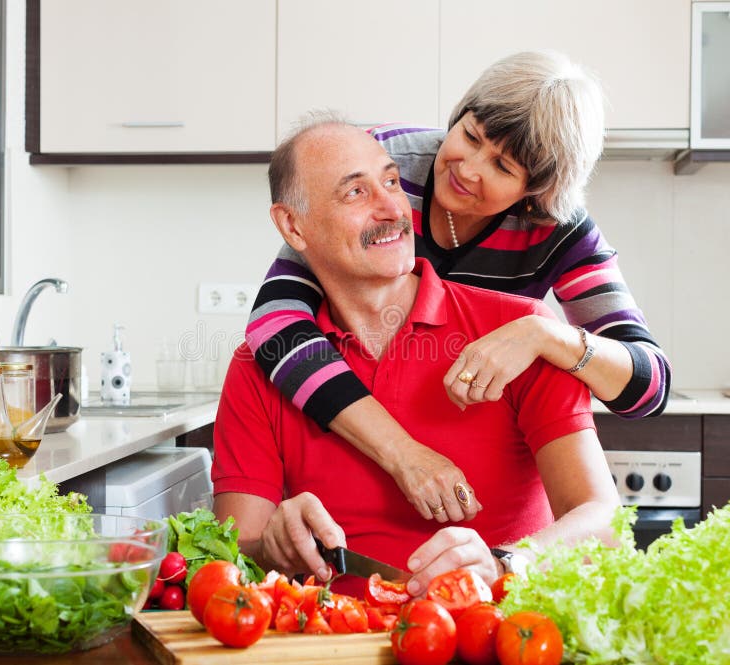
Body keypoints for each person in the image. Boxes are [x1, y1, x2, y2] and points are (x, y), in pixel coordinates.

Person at [246, 50, 670, 524]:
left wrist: (542, 333)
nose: (468, 168)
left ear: (537, 192)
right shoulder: (387, 170)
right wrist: (404, 455)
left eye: (503, 167)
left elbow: (649, 385)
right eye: (470, 135)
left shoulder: (558, 227)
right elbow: (275, 324)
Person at [213, 118, 620, 596]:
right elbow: (235, 558)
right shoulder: (261, 364)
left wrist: (507, 564)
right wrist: (272, 546)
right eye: (355, 193)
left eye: (390, 181)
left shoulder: (520, 335)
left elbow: (604, 523)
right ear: (292, 226)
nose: (393, 208)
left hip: (494, 635)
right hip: (336, 640)